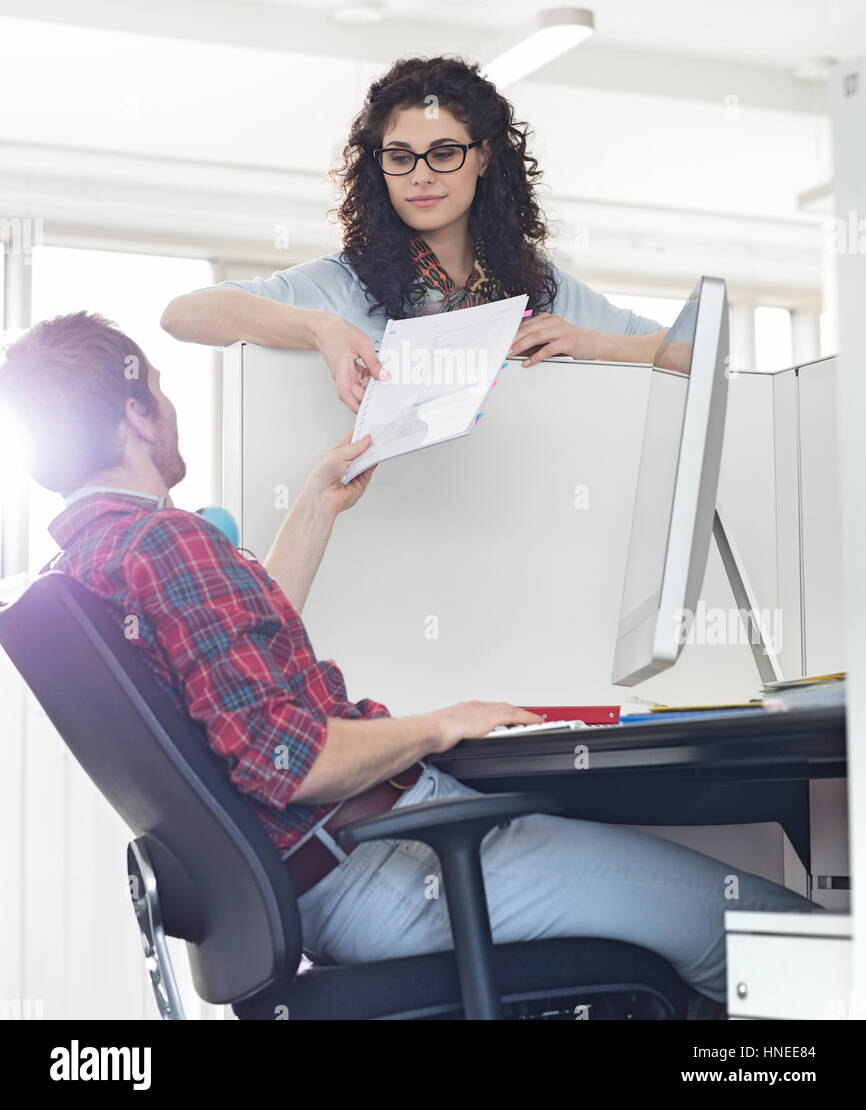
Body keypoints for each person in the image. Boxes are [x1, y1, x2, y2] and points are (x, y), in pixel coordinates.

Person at [0, 312, 818, 1019]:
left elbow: (235, 665)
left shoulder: (94, 561)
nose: (171, 409)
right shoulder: (166, 542)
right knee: (763, 934)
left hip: (330, 882)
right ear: (139, 415)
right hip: (389, 868)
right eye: (162, 395)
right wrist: (440, 725)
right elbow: (291, 761)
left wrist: (317, 505)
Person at [161, 56, 667, 412]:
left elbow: (693, 351)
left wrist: (593, 343)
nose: (421, 176)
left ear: (484, 156)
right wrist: (323, 330)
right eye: (401, 158)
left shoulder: (538, 287)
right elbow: (183, 315)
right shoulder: (343, 284)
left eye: (444, 153)